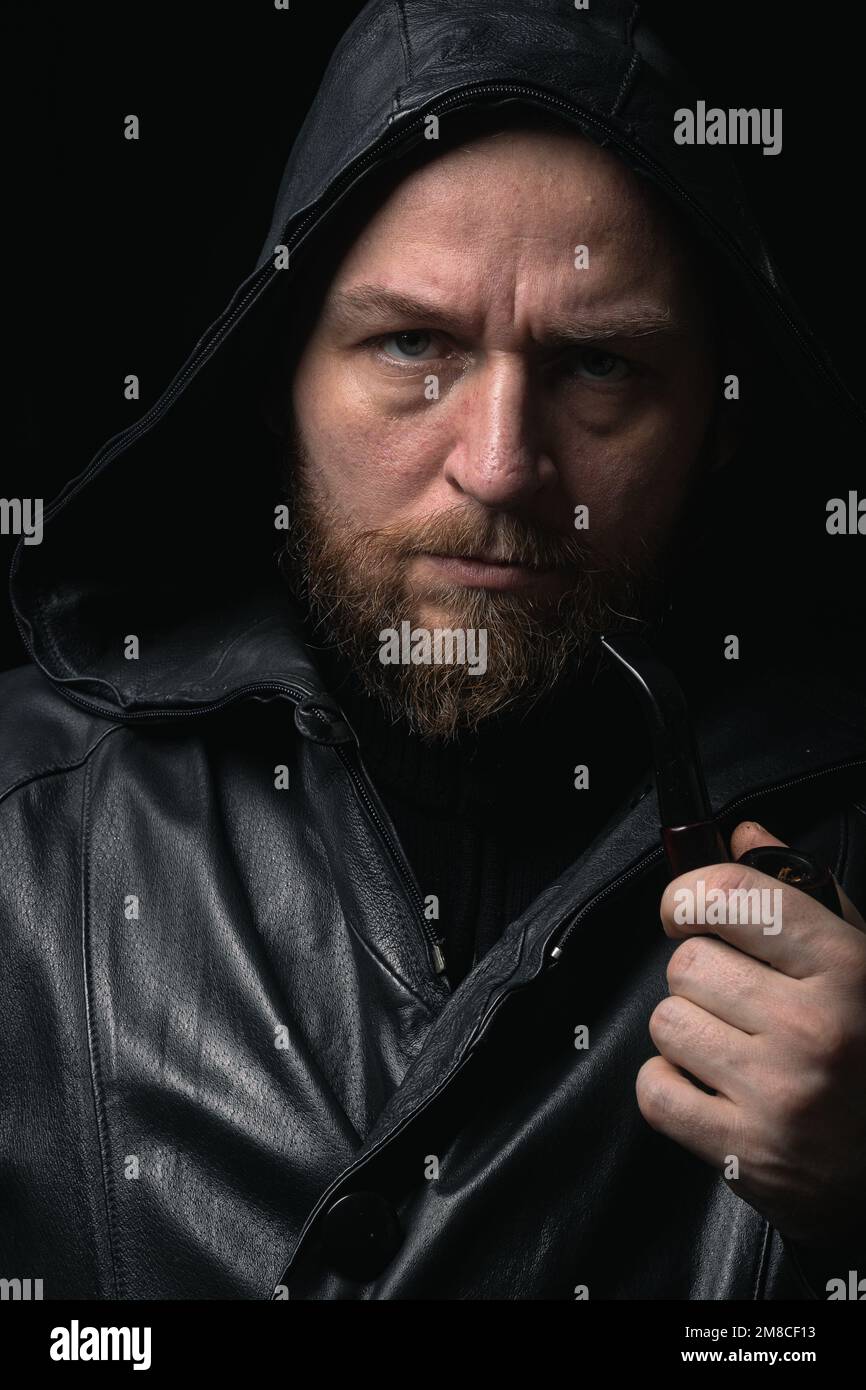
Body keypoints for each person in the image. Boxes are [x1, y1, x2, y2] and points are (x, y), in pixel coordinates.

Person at [2, 0, 866, 1300]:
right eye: (412, 345)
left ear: (719, 419)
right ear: (274, 374)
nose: (501, 465)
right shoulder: (21, 827)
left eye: (596, 366)